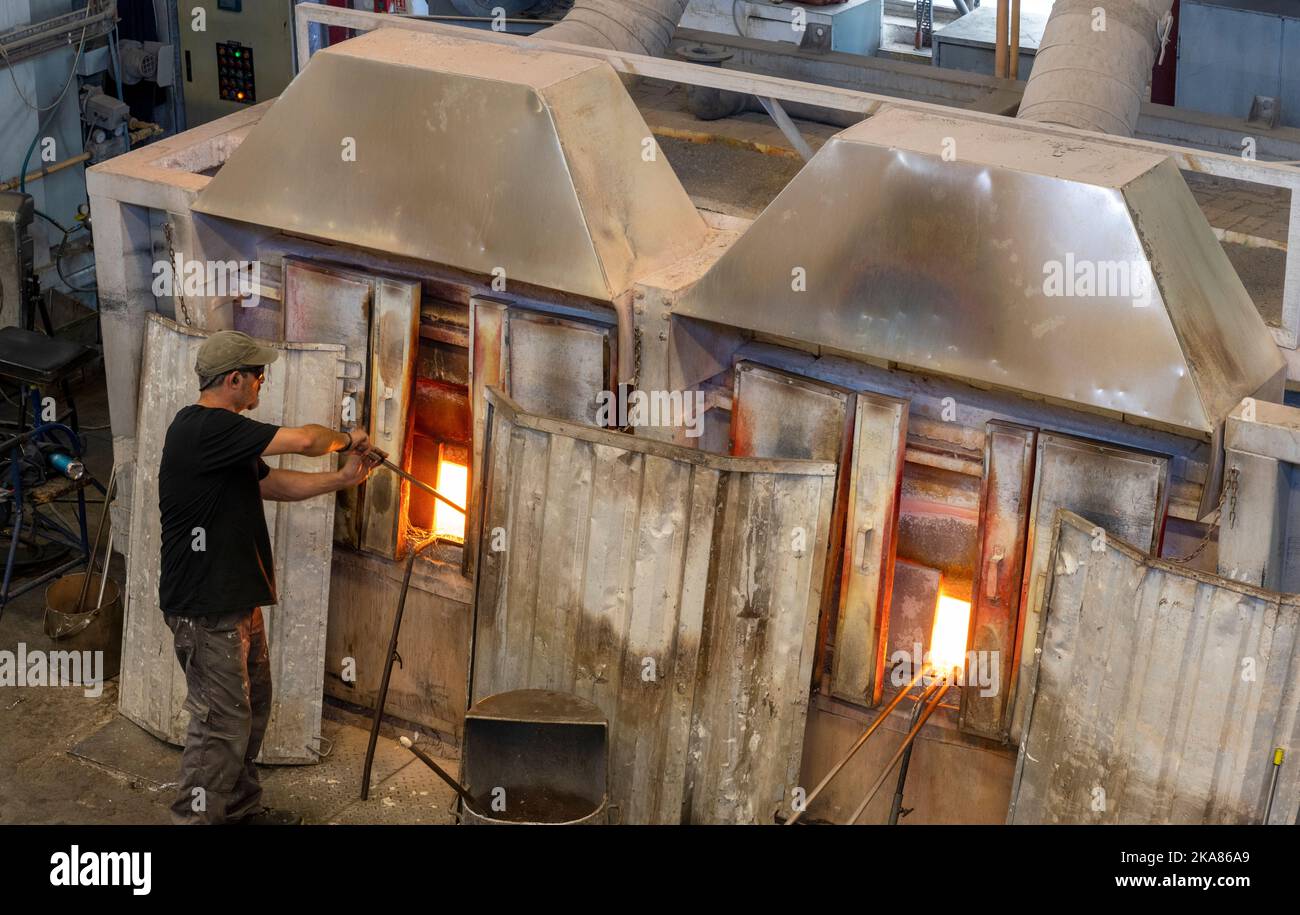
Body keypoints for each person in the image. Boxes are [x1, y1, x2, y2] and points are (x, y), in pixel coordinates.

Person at [158, 330, 374, 825]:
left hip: (234, 601)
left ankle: (237, 812)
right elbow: (302, 440)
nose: (262, 383)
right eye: (258, 376)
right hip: (204, 609)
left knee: (250, 710)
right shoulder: (206, 428)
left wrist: (341, 480)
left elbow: (271, 483)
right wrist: (347, 438)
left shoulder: (225, 439)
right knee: (221, 726)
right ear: (235, 380)